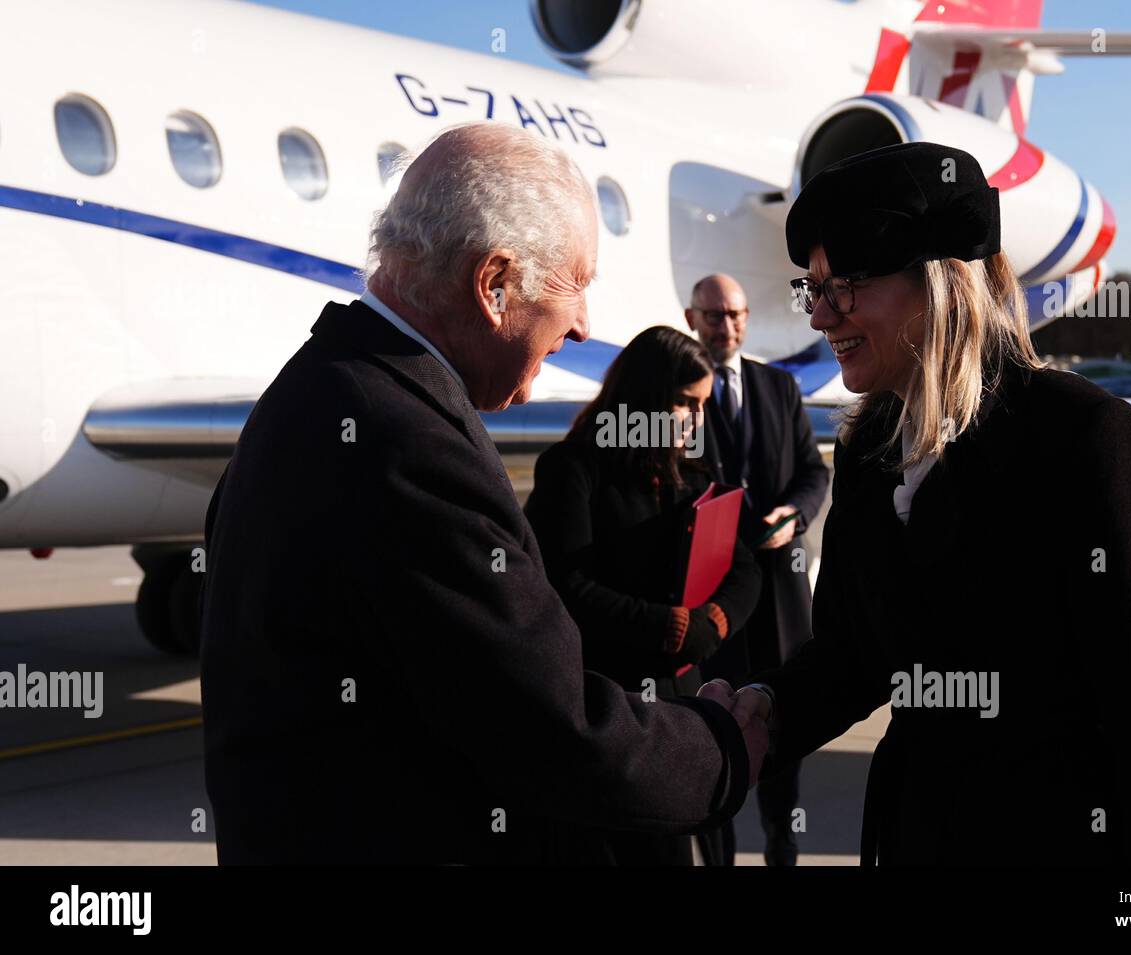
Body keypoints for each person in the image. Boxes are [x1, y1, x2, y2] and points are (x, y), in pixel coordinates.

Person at [198, 122, 765, 865]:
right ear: (495, 285)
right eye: (576, 282)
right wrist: (721, 748)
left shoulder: (327, 389)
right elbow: (549, 729)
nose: (583, 324)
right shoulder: (405, 442)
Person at [707, 141, 1131, 865]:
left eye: (841, 286)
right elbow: (854, 654)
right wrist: (771, 703)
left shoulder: (1085, 439)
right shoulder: (869, 447)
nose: (819, 316)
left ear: (940, 282)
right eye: (809, 288)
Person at [524, 325, 762, 864]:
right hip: (611, 709)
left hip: (686, 701)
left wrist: (715, 621)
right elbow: (565, 586)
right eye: (683, 402)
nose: (695, 420)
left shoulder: (688, 472)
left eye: (702, 405)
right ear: (645, 395)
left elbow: (745, 568)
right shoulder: (573, 469)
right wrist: (669, 626)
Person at [684, 274, 829, 865]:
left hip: (777, 597)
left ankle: (781, 848)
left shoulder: (779, 387)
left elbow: (813, 472)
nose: (728, 327)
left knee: (777, 734)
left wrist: (795, 514)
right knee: (709, 733)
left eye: (737, 315)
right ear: (691, 318)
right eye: (715, 316)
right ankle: (718, 856)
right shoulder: (679, 395)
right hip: (710, 601)